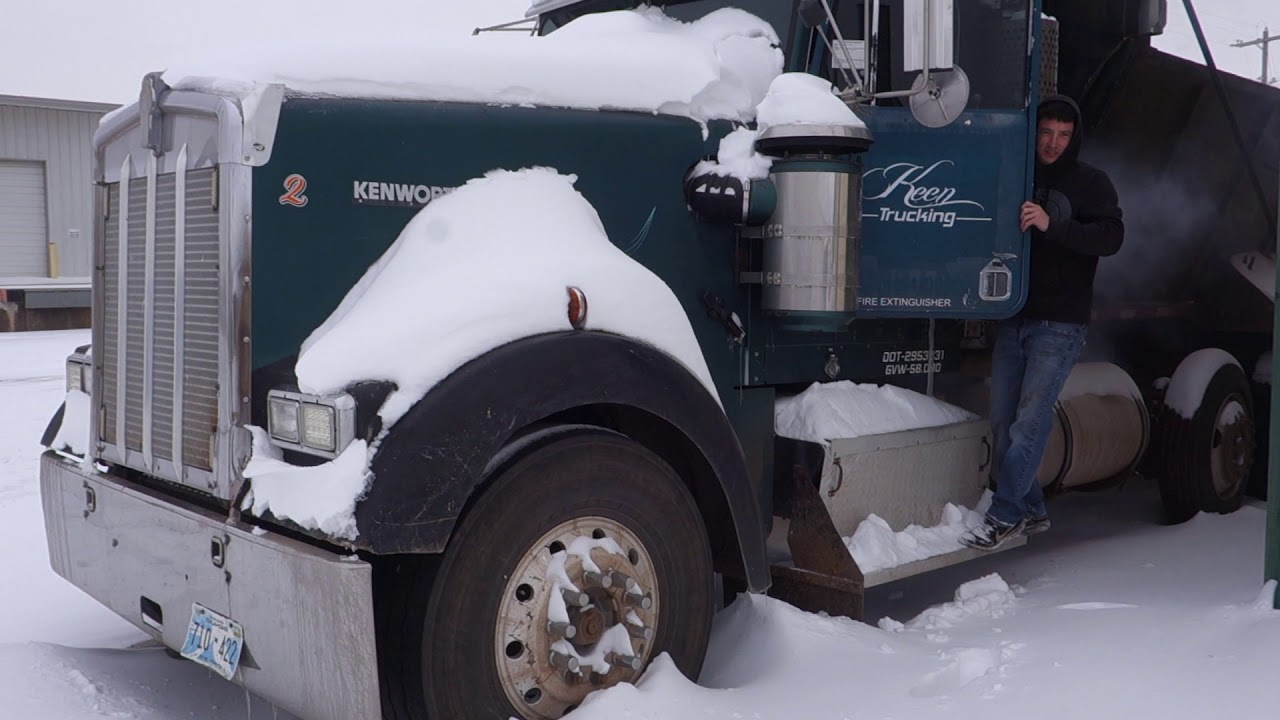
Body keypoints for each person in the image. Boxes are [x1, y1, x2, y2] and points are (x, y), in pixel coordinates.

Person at [961, 95, 1125, 551]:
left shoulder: (1092, 183)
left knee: (1029, 423)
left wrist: (1054, 225)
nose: (1053, 143)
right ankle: (1032, 508)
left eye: (1063, 135)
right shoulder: (1018, 174)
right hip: (1012, 316)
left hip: (1060, 324)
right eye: (1047, 132)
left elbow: (1112, 238)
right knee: (1000, 421)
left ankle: (1005, 514)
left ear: (1075, 139)